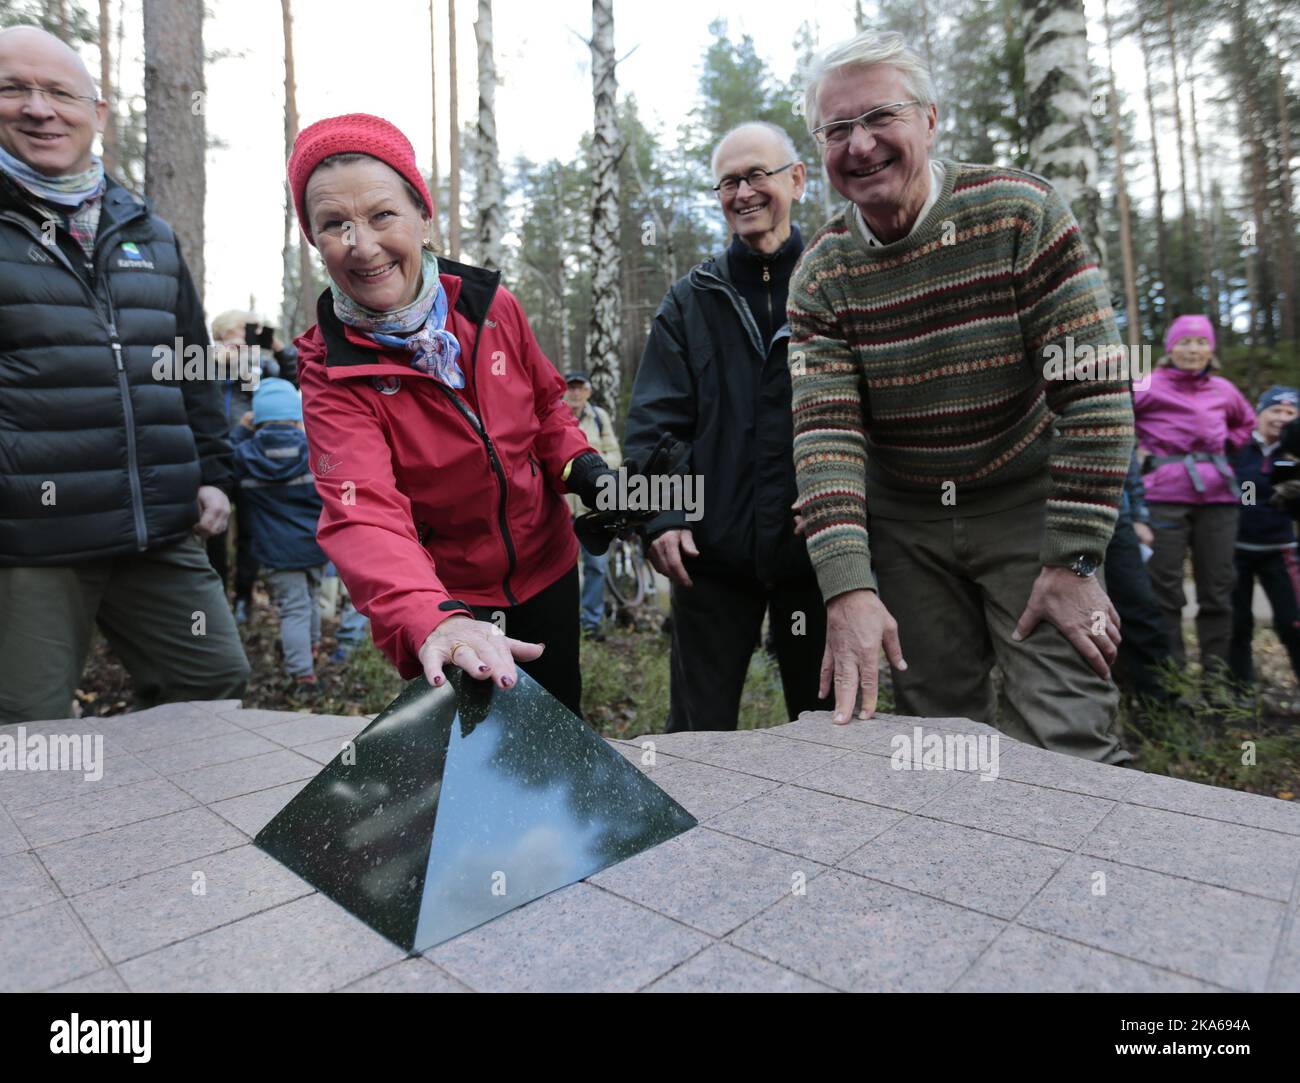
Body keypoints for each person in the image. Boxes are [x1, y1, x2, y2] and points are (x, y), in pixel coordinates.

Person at [790, 31, 1134, 763]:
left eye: (881, 117)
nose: (860, 145)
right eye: (837, 128)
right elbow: (826, 439)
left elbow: (1096, 392)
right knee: (936, 735)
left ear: (931, 119)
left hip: (1025, 497)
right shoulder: (821, 274)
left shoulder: (1020, 212)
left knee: (1068, 726)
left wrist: (1073, 558)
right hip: (908, 518)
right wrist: (847, 587)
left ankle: (1091, 867)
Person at [288, 114, 610, 715]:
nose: (362, 245)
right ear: (314, 239)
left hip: (548, 564)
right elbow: (364, 514)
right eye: (335, 225)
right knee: (480, 755)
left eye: (383, 215)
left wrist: (587, 472)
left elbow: (545, 413)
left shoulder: (492, 307)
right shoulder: (329, 373)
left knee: (561, 721)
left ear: (422, 214)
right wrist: (430, 616)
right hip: (449, 597)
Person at [0, 26, 248, 723]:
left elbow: (193, 367)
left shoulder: (148, 230)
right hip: (30, 539)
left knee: (211, 682)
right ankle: (50, 837)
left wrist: (214, 472)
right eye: (14, 89)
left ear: (97, 113)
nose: (38, 108)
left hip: (159, 522)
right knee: (27, 728)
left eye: (59, 92)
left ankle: (164, 834)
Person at [624, 121, 832, 732]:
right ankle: (693, 829)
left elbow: (876, 410)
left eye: (757, 176)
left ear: (796, 179)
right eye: (727, 182)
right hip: (709, 554)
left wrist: (849, 497)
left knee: (829, 727)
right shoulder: (691, 300)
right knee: (697, 729)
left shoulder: (834, 282)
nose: (743, 193)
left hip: (815, 550)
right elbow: (653, 423)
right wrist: (662, 516)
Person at [1134, 315, 1255, 679]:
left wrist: (1224, 449)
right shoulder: (1147, 383)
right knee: (1165, 591)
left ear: (1210, 349)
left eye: (1200, 342)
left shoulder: (1224, 389)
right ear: (1171, 348)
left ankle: (1215, 683)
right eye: (1185, 342)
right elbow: (1116, 413)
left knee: (1218, 591)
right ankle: (1172, 680)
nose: (1193, 349)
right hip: (1163, 496)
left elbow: (1246, 423)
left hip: (1219, 498)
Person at [231, 378, 328, 695]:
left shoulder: (245, 455)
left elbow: (224, 457)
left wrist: (244, 429)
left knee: (294, 608)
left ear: (256, 418)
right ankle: (311, 650)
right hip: (315, 544)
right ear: (297, 417)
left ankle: (303, 676)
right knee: (311, 599)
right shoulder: (312, 451)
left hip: (275, 551)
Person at [1229, 385, 1300, 689]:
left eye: (1289, 413)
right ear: (1259, 414)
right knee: (1237, 623)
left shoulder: (1296, 450)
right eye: (1275, 410)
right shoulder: (1236, 446)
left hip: (1281, 549)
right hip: (1235, 548)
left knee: (1293, 622)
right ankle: (1239, 691)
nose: (1281, 418)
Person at [1103, 450, 1176, 719]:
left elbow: (1126, 454)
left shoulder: (1121, 409)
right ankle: (1098, 712)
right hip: (1047, 514)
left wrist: (1138, 516)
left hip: (1115, 514)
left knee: (1141, 609)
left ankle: (1159, 709)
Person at [563, 371, 621, 640]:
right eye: (570, 388)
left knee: (596, 566)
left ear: (587, 392)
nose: (575, 393)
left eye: (580, 388)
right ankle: (564, 622)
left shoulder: (599, 418)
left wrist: (590, 469)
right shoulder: (556, 415)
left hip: (593, 510)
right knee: (559, 569)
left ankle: (590, 622)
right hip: (561, 511)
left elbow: (615, 455)